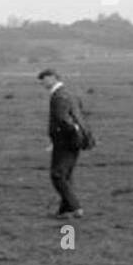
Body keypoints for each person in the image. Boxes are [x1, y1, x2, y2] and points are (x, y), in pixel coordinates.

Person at [38, 68, 94, 218]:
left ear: (52, 78)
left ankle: (76, 208)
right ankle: (65, 211)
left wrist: (66, 135)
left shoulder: (58, 96)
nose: (42, 83)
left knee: (57, 175)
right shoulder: (69, 93)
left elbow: (63, 119)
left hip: (65, 141)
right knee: (66, 175)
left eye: (43, 79)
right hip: (75, 140)